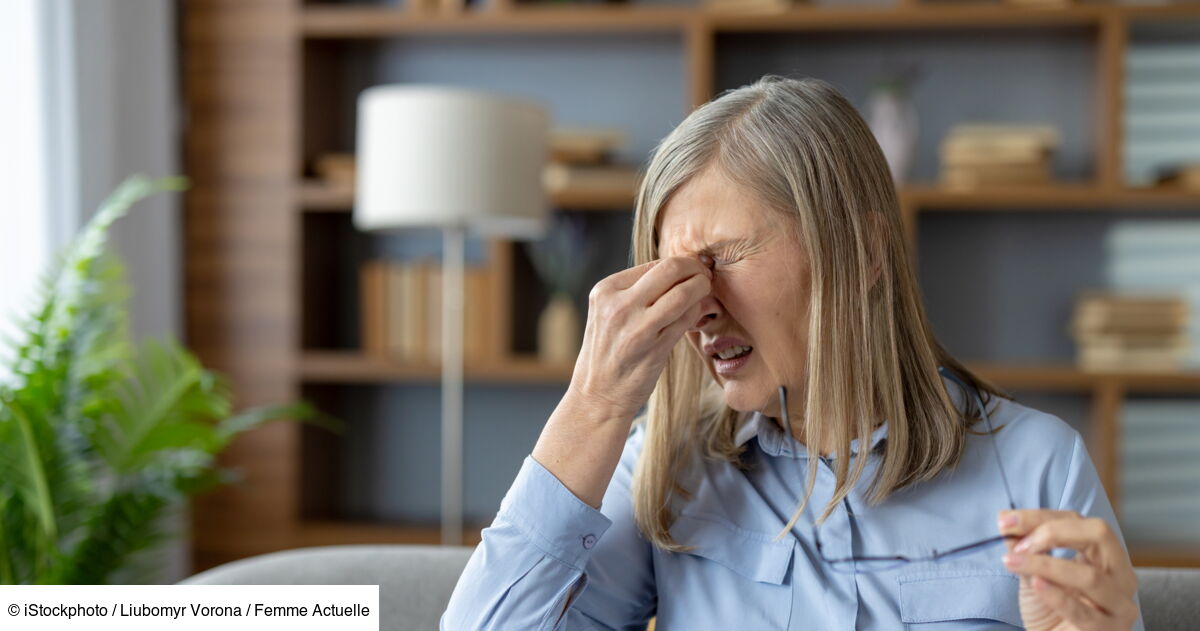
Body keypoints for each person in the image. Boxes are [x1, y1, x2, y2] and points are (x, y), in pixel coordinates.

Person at [442, 76, 1143, 630]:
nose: (695, 305)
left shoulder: (1037, 469)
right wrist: (592, 406)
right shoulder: (667, 468)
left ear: (863, 250)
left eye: (723, 256)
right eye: (672, 274)